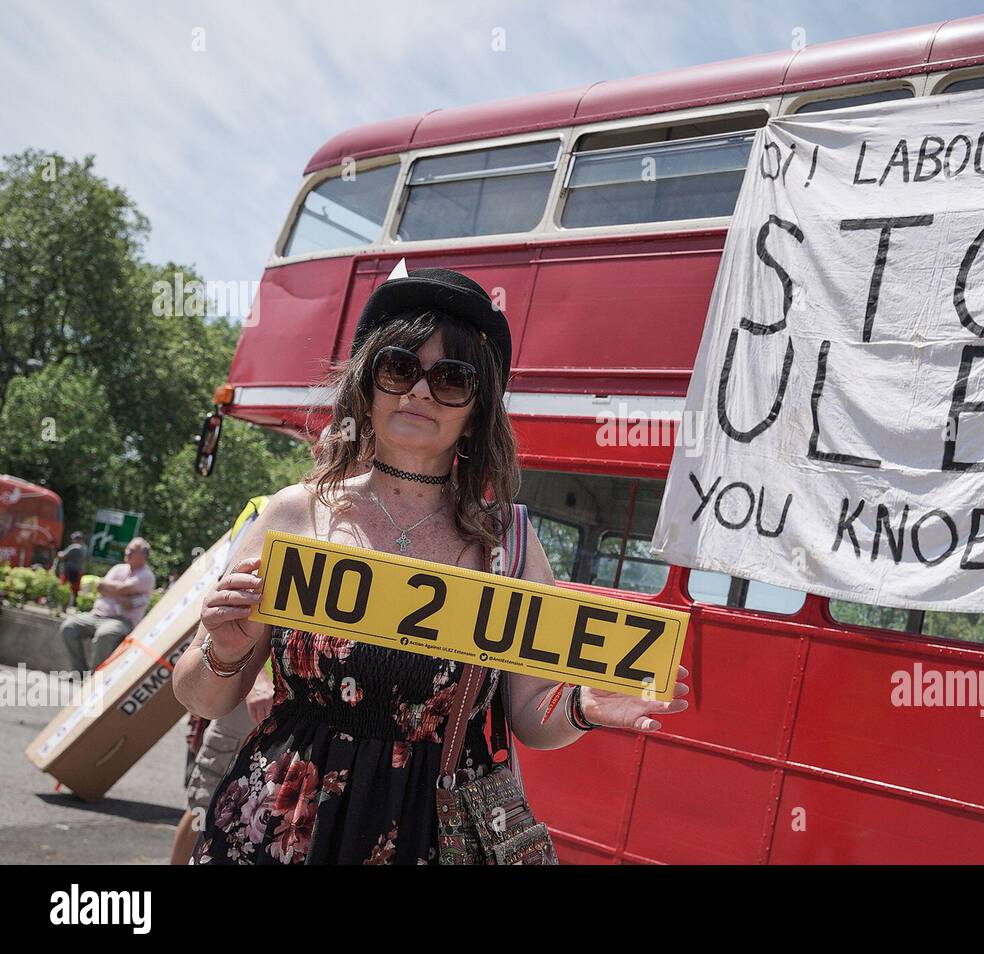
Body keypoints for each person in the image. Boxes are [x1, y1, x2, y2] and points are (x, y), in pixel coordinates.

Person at [173, 266, 690, 865]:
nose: (419, 392)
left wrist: (582, 706)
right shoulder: (296, 515)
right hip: (282, 824)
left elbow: (531, 718)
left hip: (430, 833)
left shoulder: (512, 545)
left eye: (450, 378)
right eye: (399, 368)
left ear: (475, 411)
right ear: (368, 384)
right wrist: (226, 649)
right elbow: (204, 698)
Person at [169, 663, 275, 864]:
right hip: (248, 702)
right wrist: (255, 681)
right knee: (205, 805)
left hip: (303, 706)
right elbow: (230, 635)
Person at [59, 537, 155, 673]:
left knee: (104, 634)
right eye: (127, 549)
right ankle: (78, 672)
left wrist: (111, 590)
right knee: (68, 627)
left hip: (121, 621)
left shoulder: (146, 576)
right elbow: (100, 586)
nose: (127, 552)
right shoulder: (118, 568)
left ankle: (94, 678)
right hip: (96, 615)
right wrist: (120, 593)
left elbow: (125, 597)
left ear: (143, 555)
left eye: (132, 550)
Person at [55, 531, 87, 606]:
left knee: (64, 586)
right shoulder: (85, 547)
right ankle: (70, 604)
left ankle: (62, 604)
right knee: (74, 588)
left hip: (70, 570)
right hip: (79, 570)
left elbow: (62, 555)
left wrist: (59, 553)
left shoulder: (74, 546)